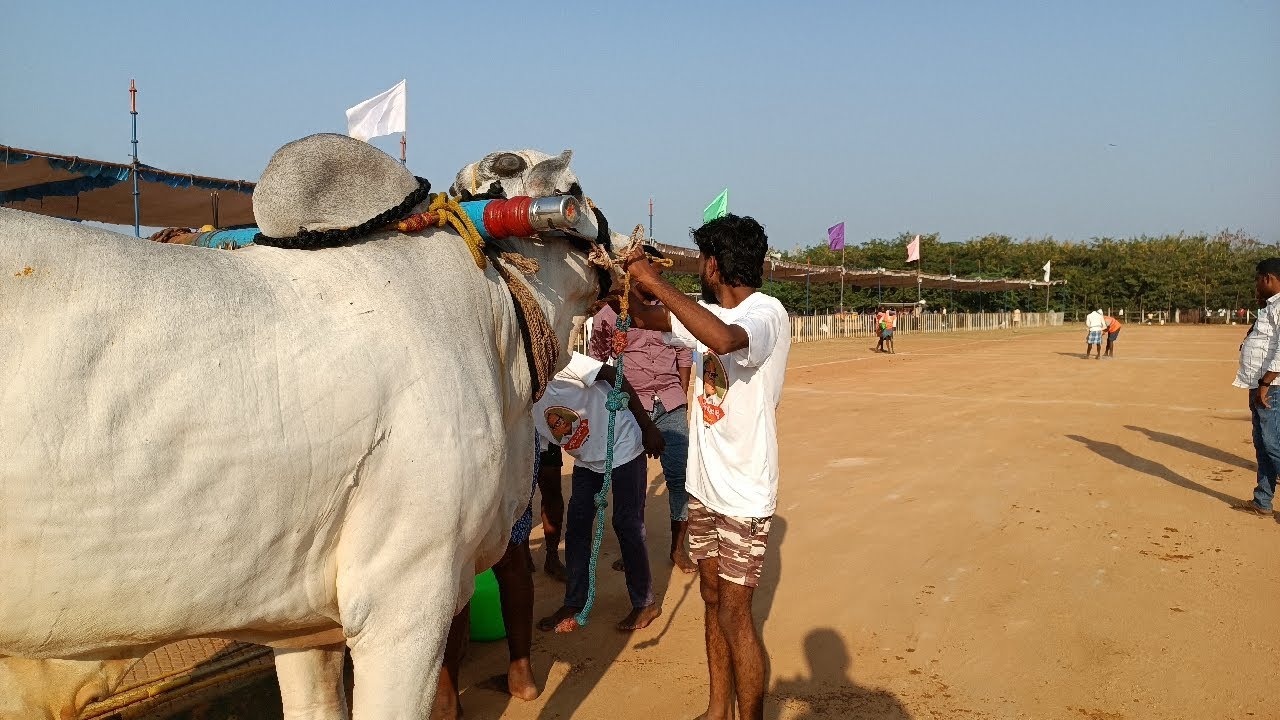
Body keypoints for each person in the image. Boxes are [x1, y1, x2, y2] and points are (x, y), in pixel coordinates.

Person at [620, 214, 790, 720]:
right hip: (705, 488)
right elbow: (644, 319)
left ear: (714, 265)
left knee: (737, 614)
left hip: (744, 494)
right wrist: (630, 277)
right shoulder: (706, 314)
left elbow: (725, 341)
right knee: (712, 598)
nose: (699, 270)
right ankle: (718, 710)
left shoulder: (767, 314)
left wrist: (656, 280)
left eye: (701, 261)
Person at [535, 352, 666, 633]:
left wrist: (647, 426)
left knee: (627, 524)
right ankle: (575, 601)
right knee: (577, 527)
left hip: (623, 445)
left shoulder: (563, 363)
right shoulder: (524, 402)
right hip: (587, 460)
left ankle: (645, 602)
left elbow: (612, 375)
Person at [589, 245, 697, 574]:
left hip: (671, 405)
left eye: (656, 273)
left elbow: (683, 357)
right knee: (631, 484)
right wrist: (609, 335)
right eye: (644, 273)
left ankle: (678, 549)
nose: (651, 280)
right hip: (630, 408)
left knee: (680, 478)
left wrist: (678, 390)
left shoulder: (672, 312)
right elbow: (597, 357)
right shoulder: (612, 310)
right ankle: (632, 549)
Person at [432, 446, 545, 720]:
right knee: (512, 551)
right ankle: (522, 674)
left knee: (460, 567)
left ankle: (447, 697)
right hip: (518, 444)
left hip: (464, 447)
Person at [1232, 258, 1280, 519]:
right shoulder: (1270, 306)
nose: (1256, 284)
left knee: (1273, 444)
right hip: (1260, 383)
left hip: (1271, 386)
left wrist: (1265, 384)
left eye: (1257, 279)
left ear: (1268, 278)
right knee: (1262, 443)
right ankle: (1262, 501)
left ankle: (1263, 500)